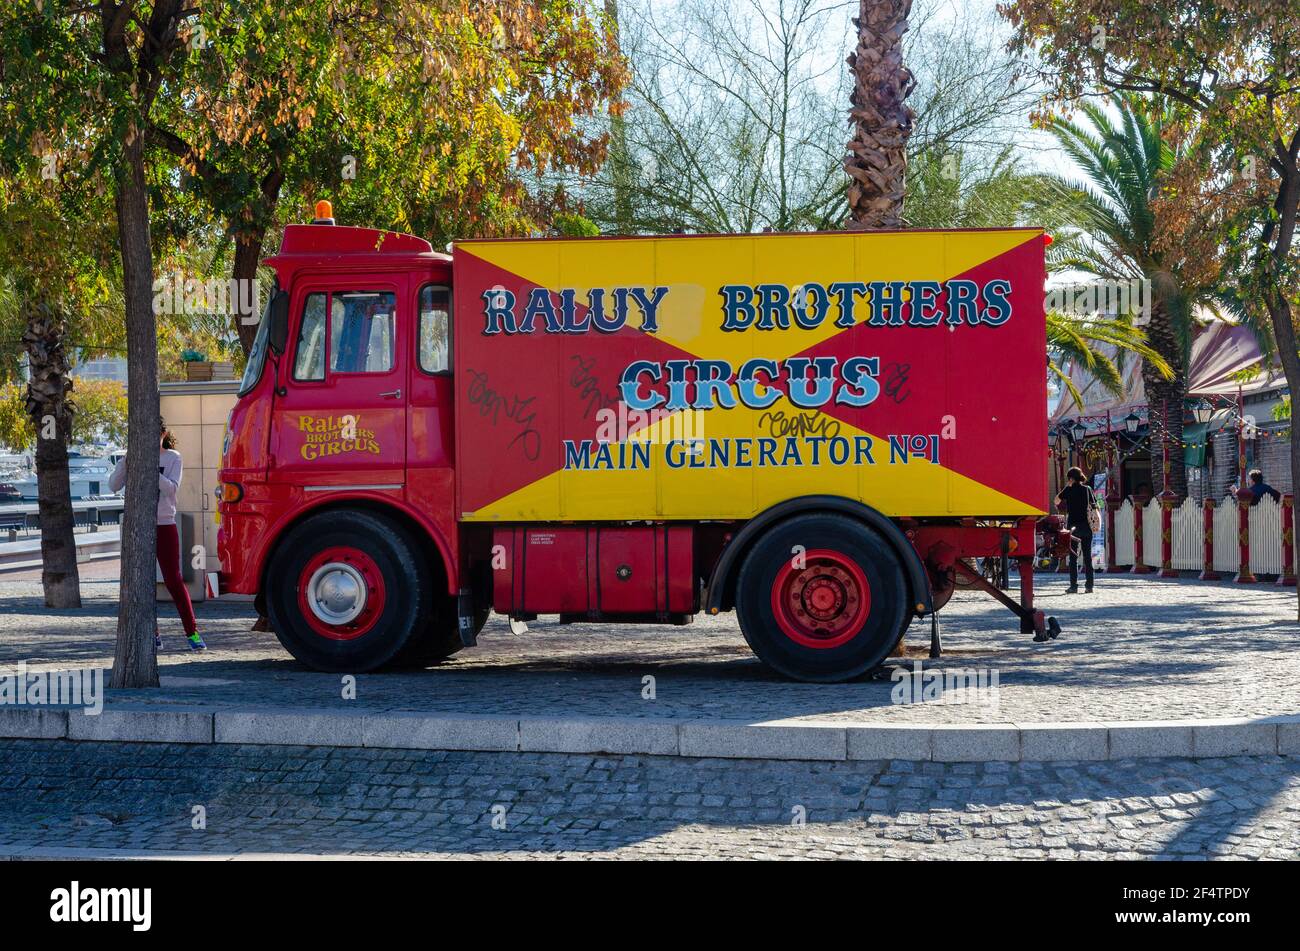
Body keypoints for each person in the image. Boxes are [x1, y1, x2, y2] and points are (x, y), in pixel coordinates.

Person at [109, 422, 206, 651]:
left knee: (173, 580)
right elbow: (113, 485)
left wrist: (151, 468)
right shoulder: (131, 457)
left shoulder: (173, 458)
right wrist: (126, 463)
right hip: (138, 527)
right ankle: (153, 634)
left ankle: (191, 633)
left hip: (164, 524)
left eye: (154, 433)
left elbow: (172, 488)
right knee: (141, 581)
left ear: (163, 434)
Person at [1055, 466, 1096, 593]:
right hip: (1086, 526)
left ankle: (1074, 586)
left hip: (1073, 528)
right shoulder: (1087, 489)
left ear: (1071, 478)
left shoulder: (1069, 489)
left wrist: (1067, 486)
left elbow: (1056, 501)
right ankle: (1089, 586)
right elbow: (1094, 505)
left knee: (1073, 557)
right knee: (1087, 557)